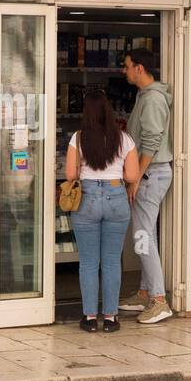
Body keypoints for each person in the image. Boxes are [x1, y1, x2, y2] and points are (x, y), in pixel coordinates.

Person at [66, 90, 138, 333]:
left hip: (86, 199)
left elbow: (70, 175)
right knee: (111, 262)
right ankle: (110, 317)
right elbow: (132, 175)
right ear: (108, 110)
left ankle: (88, 318)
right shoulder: (124, 139)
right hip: (116, 198)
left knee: (88, 263)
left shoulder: (78, 138)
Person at [119, 48, 174, 324]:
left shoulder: (152, 100)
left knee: (143, 238)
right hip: (150, 174)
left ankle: (158, 300)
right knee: (145, 234)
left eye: (127, 66)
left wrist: (136, 177)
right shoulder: (146, 96)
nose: (124, 70)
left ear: (139, 68)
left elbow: (152, 141)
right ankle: (144, 292)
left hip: (151, 175)